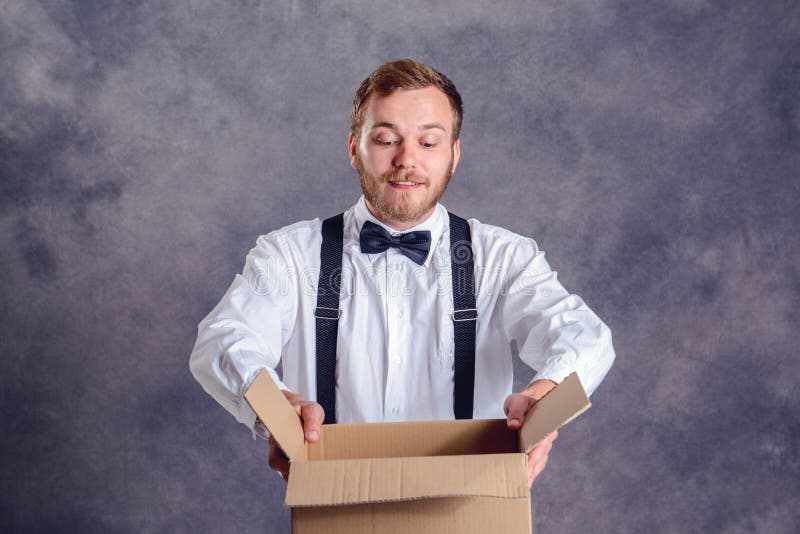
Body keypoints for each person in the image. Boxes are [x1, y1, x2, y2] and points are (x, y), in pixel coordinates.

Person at [190, 59, 615, 486]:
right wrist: (274, 406)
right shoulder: (289, 255)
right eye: (386, 139)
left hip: (476, 504)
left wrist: (544, 397)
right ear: (354, 148)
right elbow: (223, 339)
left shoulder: (504, 258)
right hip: (332, 501)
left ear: (454, 155)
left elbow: (585, 338)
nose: (406, 159)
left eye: (428, 142)